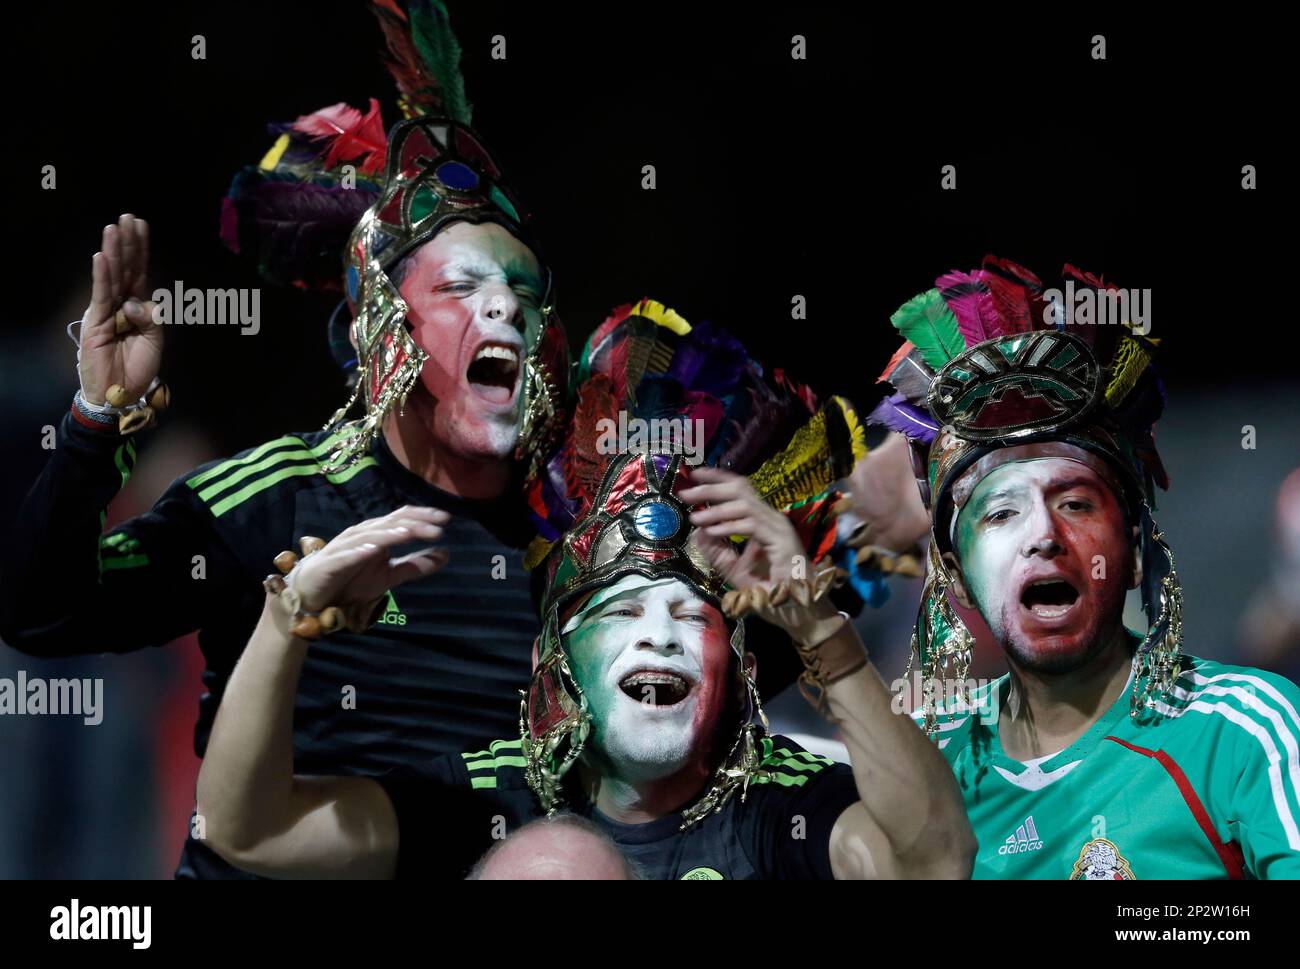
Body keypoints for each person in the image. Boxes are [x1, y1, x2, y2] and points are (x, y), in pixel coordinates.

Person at [0, 4, 569, 878]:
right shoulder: (274, 495)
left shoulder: (576, 531)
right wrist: (94, 424)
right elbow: (41, 613)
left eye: (524, 292)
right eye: (461, 284)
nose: (504, 309)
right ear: (383, 326)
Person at [194, 302, 975, 879]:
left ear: (734, 659)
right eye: (625, 608)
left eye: (689, 611)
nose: (659, 634)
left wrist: (824, 639)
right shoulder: (490, 797)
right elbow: (250, 830)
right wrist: (286, 619)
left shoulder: (784, 806)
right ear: (558, 652)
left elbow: (937, 858)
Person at [870, 255, 1300, 878]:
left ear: (1129, 553)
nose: (1043, 535)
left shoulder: (1245, 730)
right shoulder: (928, 772)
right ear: (955, 575)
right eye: (1000, 515)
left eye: (1075, 502)